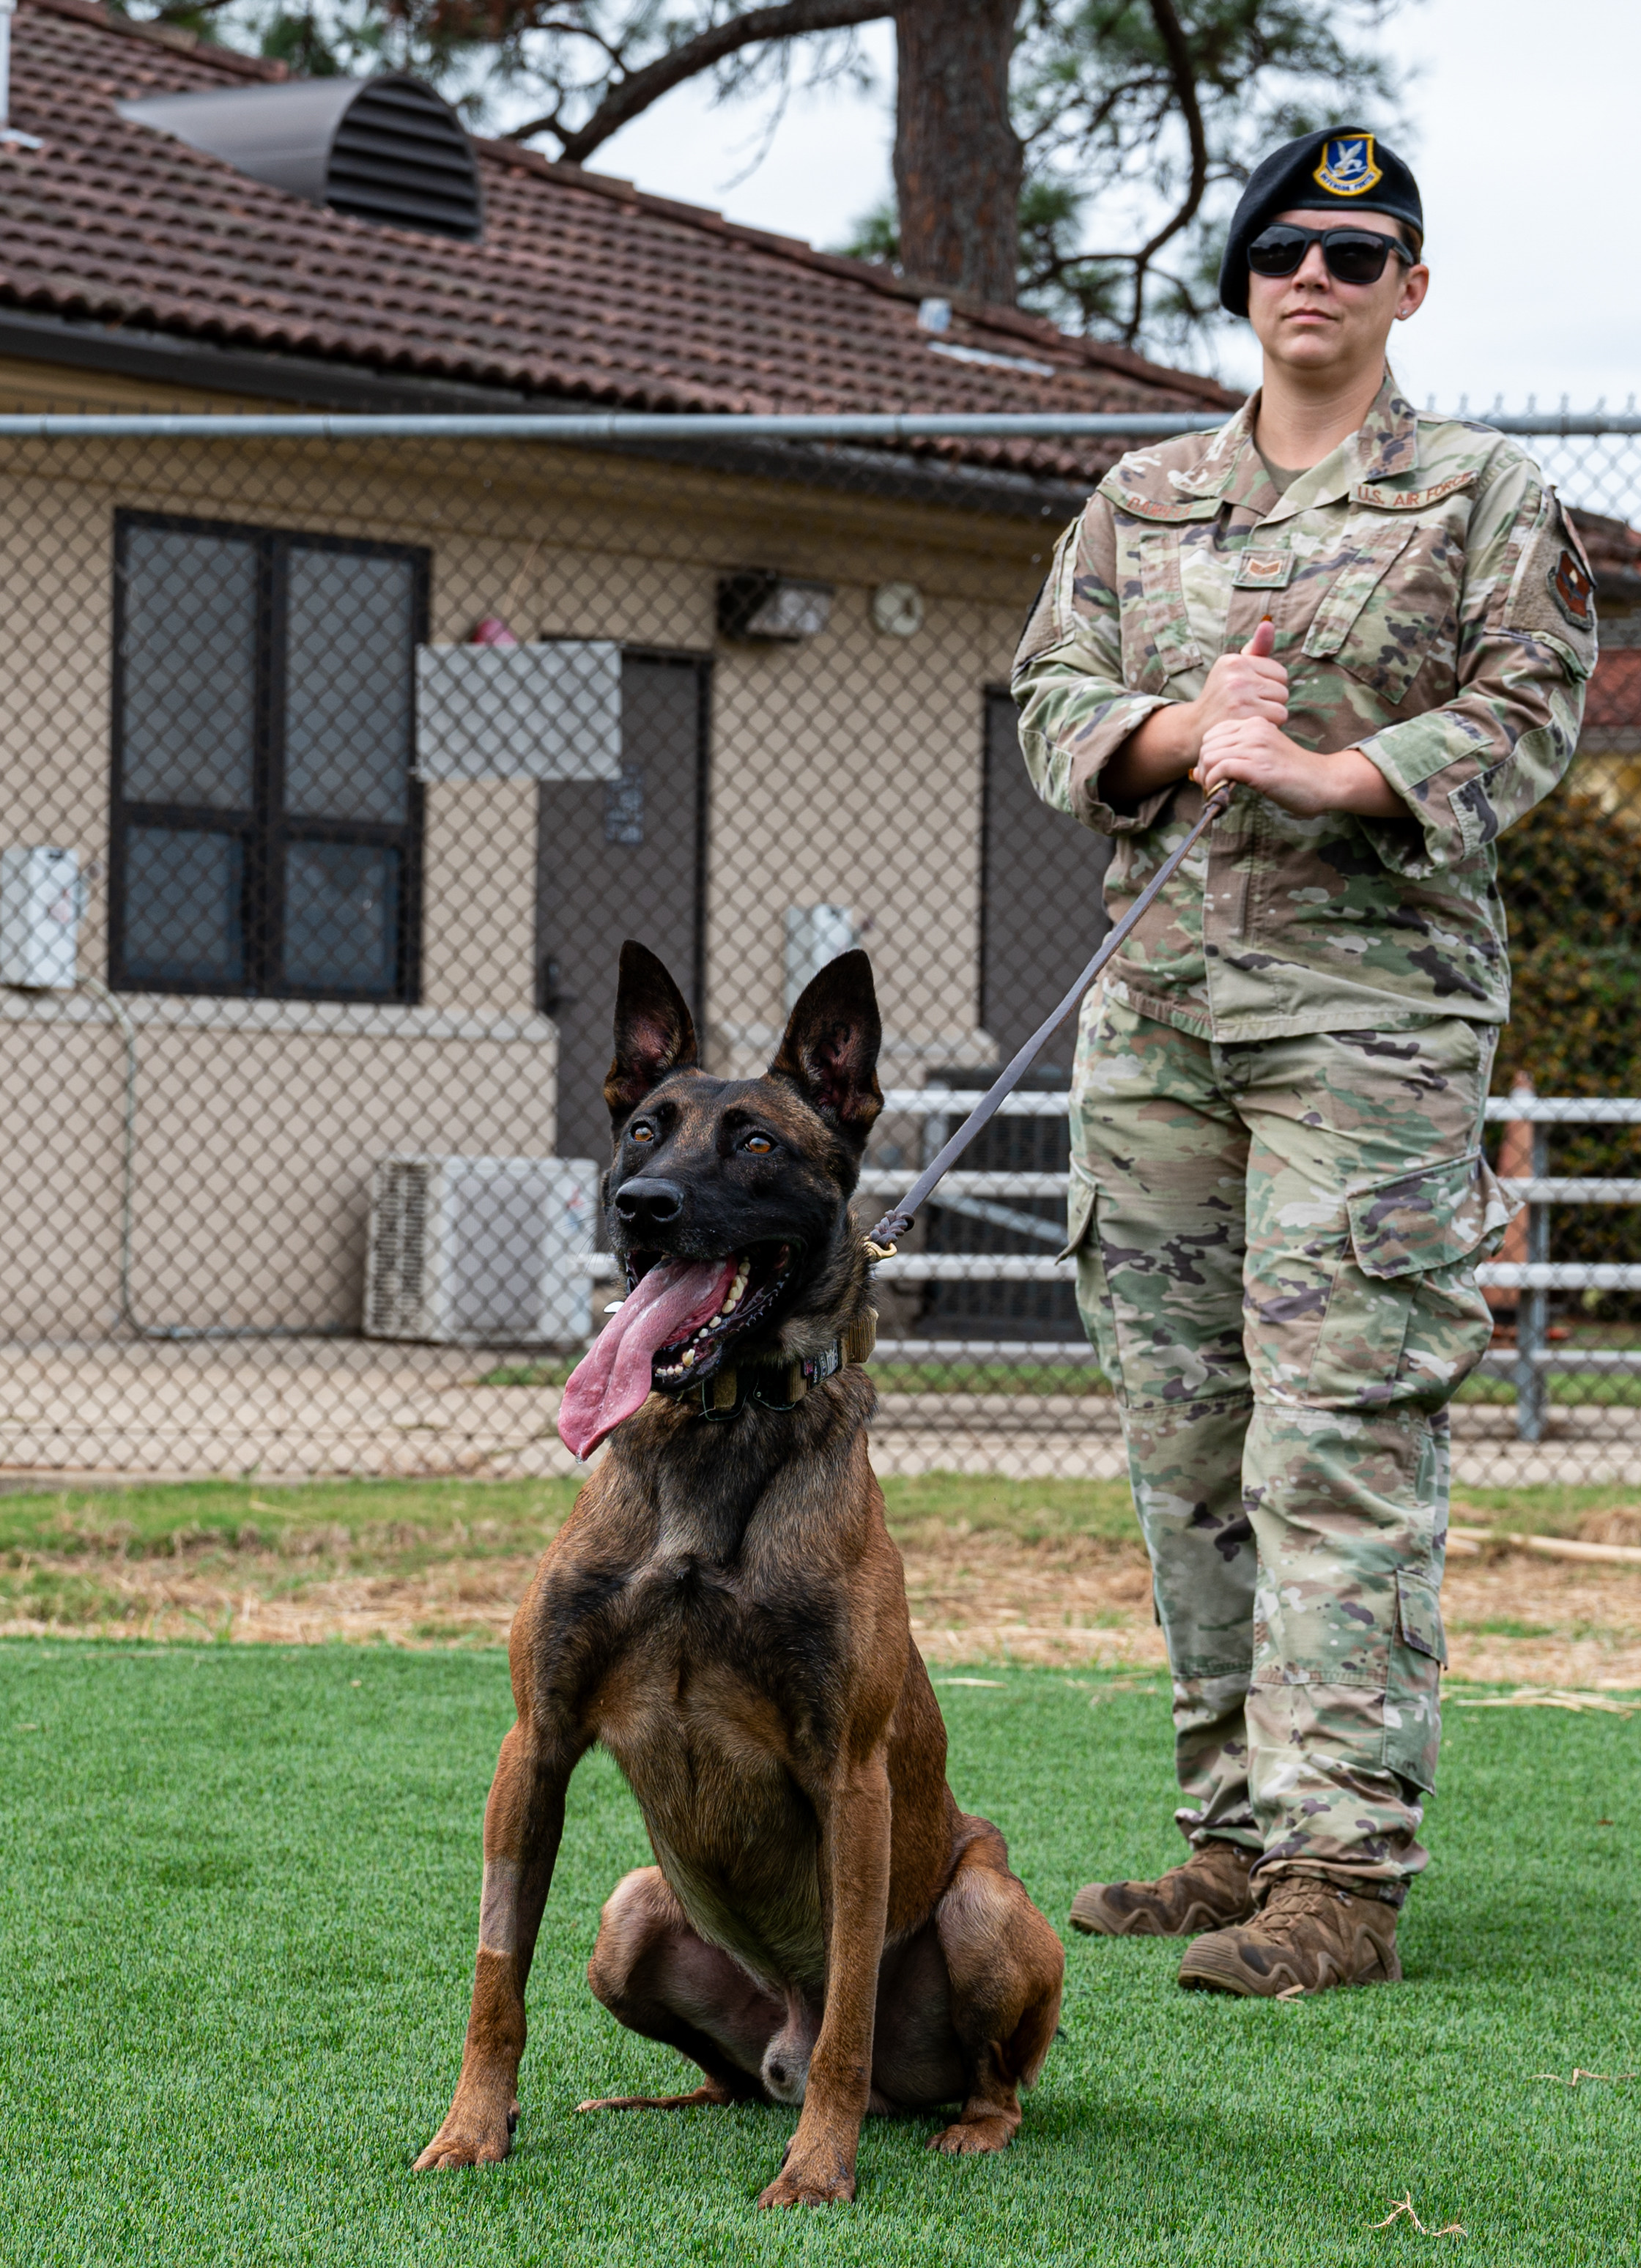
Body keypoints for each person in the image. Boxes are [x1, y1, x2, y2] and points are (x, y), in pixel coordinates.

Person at [1012, 129, 1594, 1995]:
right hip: (1159, 1020)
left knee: (1334, 1435)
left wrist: (1337, 772)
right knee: (1186, 1435)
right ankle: (1234, 1835)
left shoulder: (1481, 491)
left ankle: (1340, 1871)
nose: (1313, 277)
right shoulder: (1142, 497)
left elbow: (1531, 704)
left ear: (1409, 286)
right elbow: (1050, 698)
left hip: (1366, 1025)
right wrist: (1179, 729)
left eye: (1355, 252)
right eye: (1281, 250)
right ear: (1246, 284)